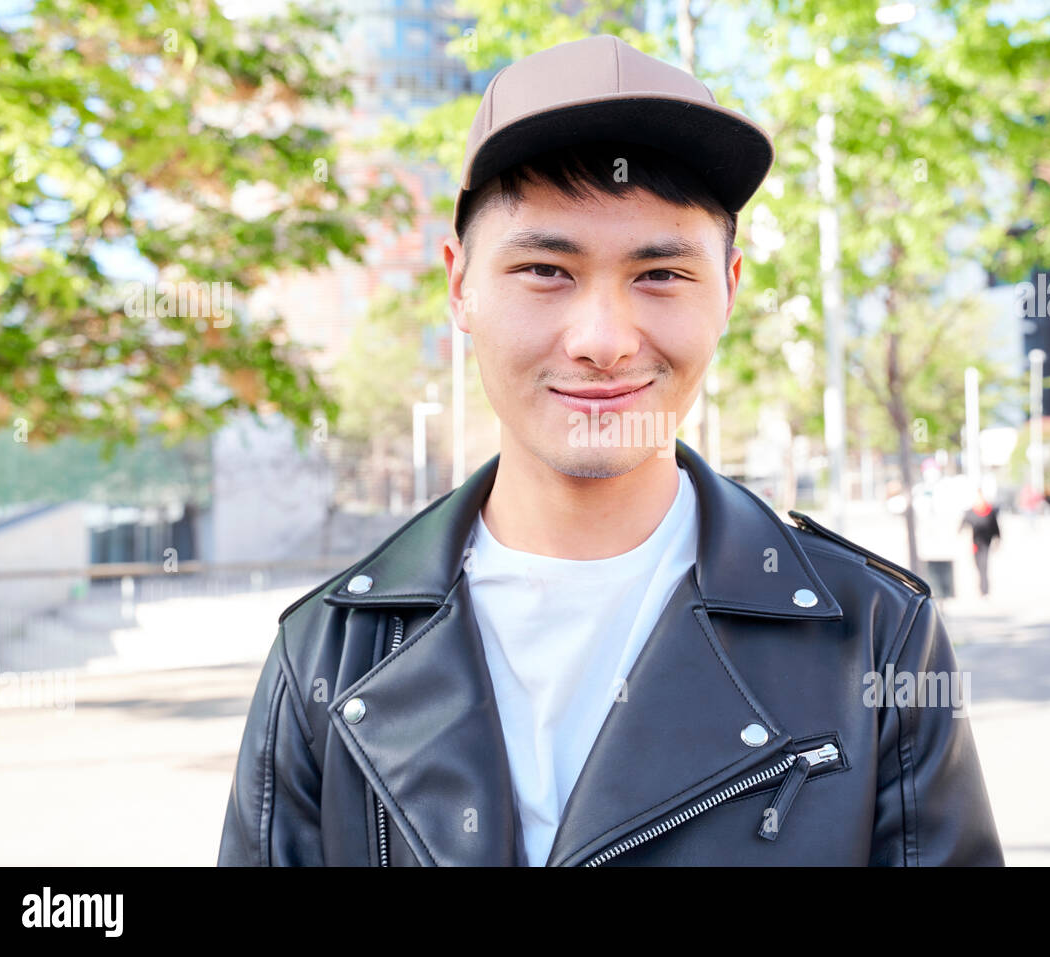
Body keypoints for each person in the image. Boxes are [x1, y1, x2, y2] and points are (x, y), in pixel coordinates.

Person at [217, 35, 1003, 867]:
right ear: (460, 287)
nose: (602, 340)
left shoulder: (874, 634)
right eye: (546, 270)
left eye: (660, 275)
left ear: (729, 290)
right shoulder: (327, 652)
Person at [960, 488, 1002, 597]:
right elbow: (963, 523)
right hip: (975, 544)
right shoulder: (972, 511)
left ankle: (984, 590)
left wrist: (997, 540)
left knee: (984, 566)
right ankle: (982, 588)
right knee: (978, 565)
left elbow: (995, 527)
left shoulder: (989, 511)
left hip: (986, 543)